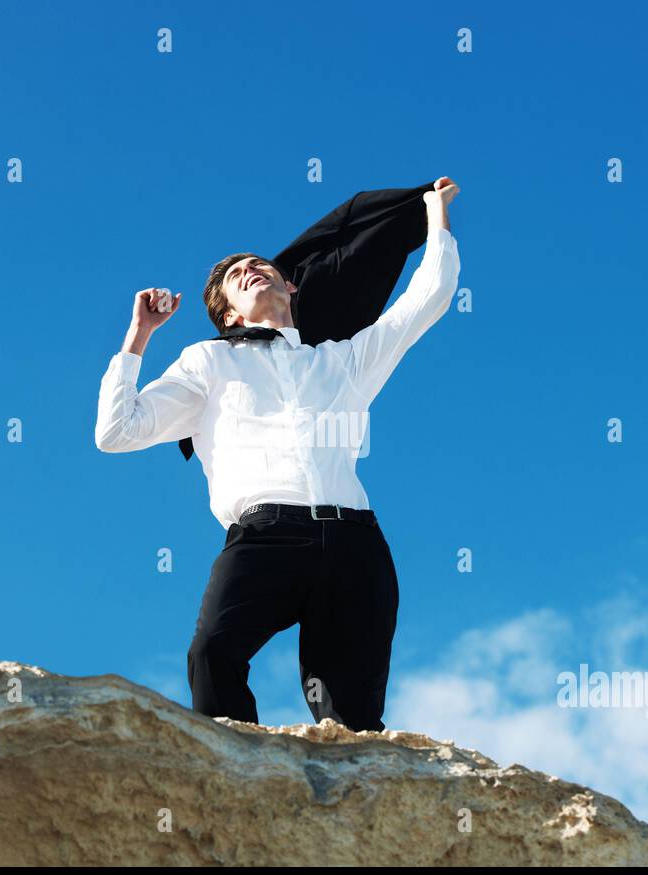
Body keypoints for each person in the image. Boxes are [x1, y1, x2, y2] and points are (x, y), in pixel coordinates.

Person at [95, 176, 461, 732]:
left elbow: (426, 300)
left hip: (355, 545)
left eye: (257, 263)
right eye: (235, 277)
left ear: (291, 287)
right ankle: (236, 779)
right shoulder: (207, 362)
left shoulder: (343, 362)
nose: (249, 268)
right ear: (230, 317)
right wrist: (138, 336)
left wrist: (434, 218)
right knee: (212, 656)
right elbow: (117, 431)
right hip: (264, 540)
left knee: (351, 721)